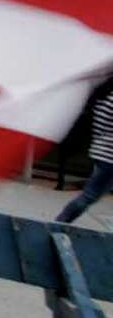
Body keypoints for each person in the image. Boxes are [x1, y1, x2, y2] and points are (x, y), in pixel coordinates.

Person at [57, 79, 113, 224]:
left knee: (90, 195)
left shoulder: (103, 97)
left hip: (102, 153)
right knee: (89, 196)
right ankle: (59, 224)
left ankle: (60, 223)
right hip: (109, 156)